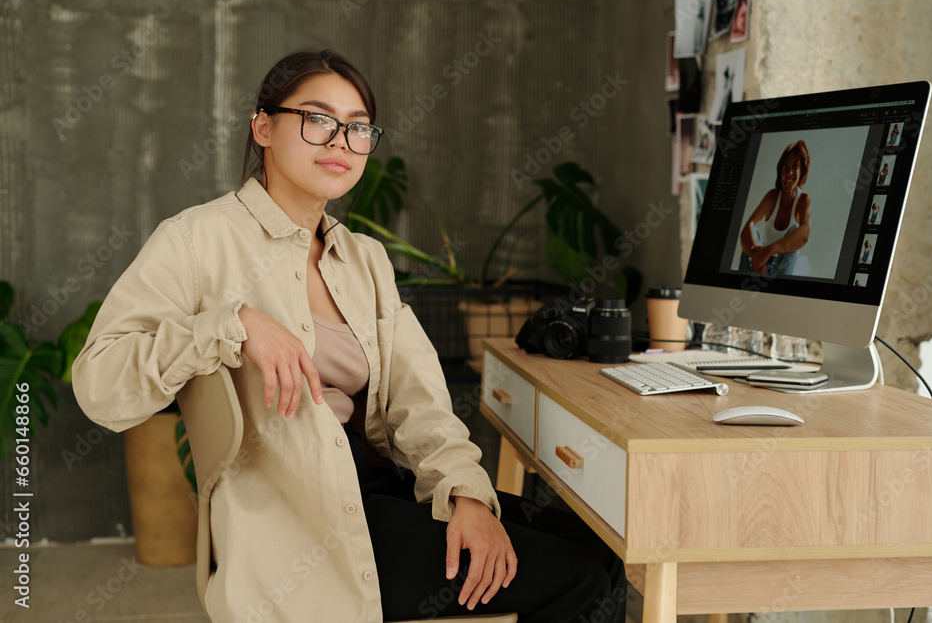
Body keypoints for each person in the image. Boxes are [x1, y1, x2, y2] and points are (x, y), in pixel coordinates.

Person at [72, 49, 625, 623]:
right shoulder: (196, 240)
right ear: (263, 126)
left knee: (602, 553)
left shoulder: (364, 259)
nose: (340, 140)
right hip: (301, 521)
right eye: (317, 119)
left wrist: (465, 493)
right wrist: (231, 325)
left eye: (357, 127)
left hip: (382, 489)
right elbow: (100, 385)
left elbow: (420, 401)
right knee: (575, 579)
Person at [738, 140, 813, 275]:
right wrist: (759, 259)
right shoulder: (773, 196)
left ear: (801, 172)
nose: (789, 173)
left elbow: (804, 235)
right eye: (786, 168)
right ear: (780, 173)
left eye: (794, 167)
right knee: (753, 231)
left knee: (795, 230)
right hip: (760, 265)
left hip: (781, 268)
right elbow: (747, 228)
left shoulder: (803, 200)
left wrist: (769, 250)